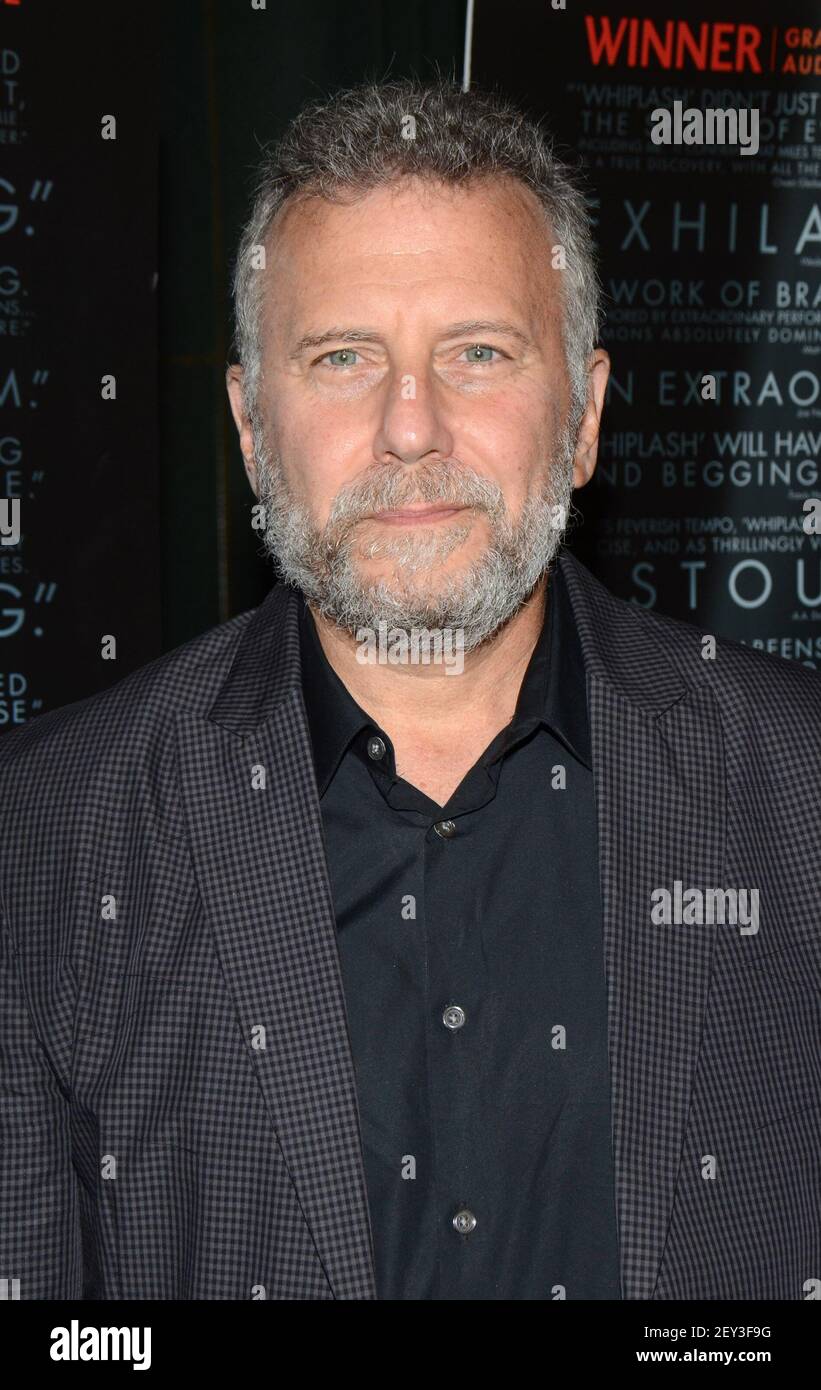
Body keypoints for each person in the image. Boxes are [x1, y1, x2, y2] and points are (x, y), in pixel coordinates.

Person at [1, 78, 819, 1302]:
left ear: (586, 415)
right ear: (247, 424)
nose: (409, 427)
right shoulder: (44, 836)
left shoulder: (797, 788)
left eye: (477, 353)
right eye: (341, 359)